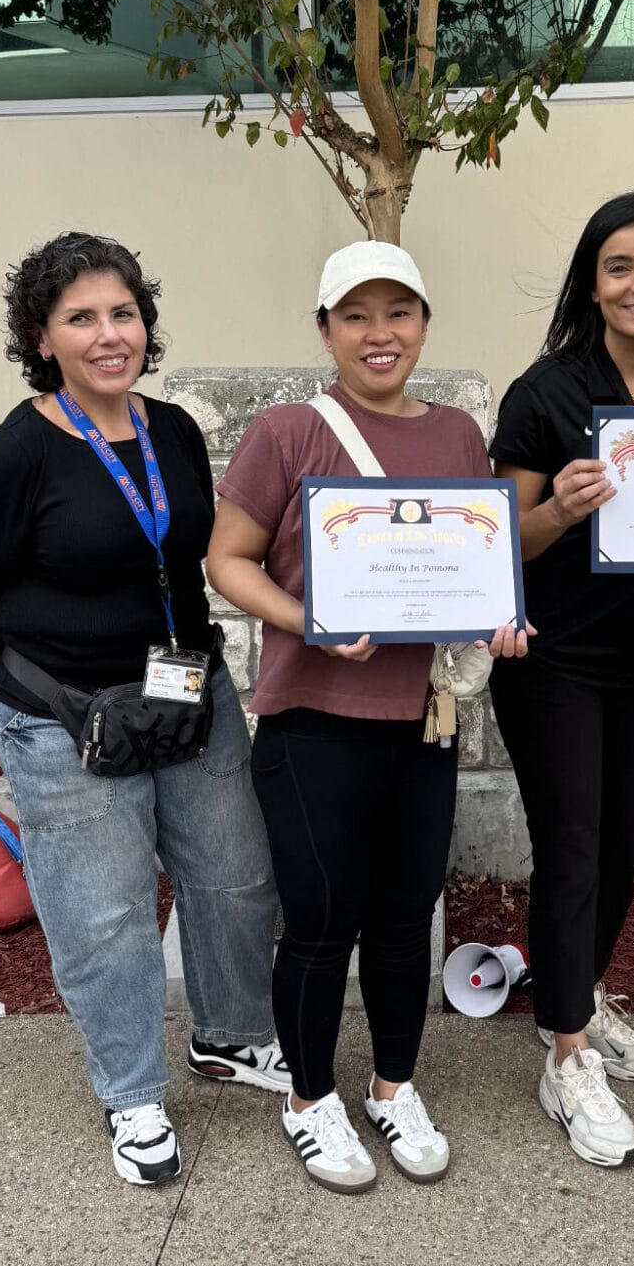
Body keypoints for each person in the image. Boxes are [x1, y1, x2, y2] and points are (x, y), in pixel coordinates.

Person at [0, 232, 283, 1187]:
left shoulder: (171, 430)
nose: (108, 334)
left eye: (123, 313)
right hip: (66, 713)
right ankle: (132, 1091)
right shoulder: (17, 453)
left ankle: (232, 1037)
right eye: (80, 318)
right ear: (42, 339)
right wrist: (52, 645)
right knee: (107, 911)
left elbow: (184, 552)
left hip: (184, 690)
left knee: (236, 876)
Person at [207, 240, 527, 1194]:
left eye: (398, 312)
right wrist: (308, 619)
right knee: (319, 921)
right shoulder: (288, 432)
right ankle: (310, 1100)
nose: (379, 334)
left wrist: (499, 616)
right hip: (315, 716)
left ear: (423, 324)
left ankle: (394, 1087)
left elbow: (470, 566)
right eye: (355, 315)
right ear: (325, 330)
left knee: (402, 917)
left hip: (423, 720)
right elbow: (227, 560)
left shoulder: (458, 438)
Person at [487, 192, 634, 1169]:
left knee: (621, 845)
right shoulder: (544, 393)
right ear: (591, 283)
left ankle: (575, 995)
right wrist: (562, 512)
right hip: (556, 662)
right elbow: (503, 541)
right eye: (620, 266)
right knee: (573, 847)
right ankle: (566, 1054)